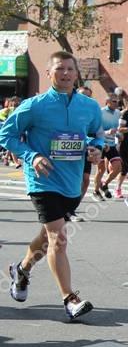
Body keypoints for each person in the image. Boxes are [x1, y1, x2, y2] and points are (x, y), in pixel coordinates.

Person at [1, 51, 104, 320]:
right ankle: (69, 298)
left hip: (72, 183)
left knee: (49, 237)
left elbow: (97, 135)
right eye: (60, 69)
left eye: (70, 69)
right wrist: (31, 156)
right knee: (59, 239)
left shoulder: (89, 106)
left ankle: (21, 269)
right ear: (49, 73)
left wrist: (96, 149)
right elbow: (6, 135)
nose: (66, 74)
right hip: (42, 180)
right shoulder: (33, 106)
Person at [92, 93, 122, 199]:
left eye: (118, 101)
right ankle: (96, 191)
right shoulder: (100, 112)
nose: (117, 103)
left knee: (118, 167)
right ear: (107, 102)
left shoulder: (118, 113)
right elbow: (95, 130)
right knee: (101, 169)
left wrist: (118, 134)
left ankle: (104, 184)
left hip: (111, 144)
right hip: (100, 143)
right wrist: (106, 132)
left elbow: (116, 128)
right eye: (114, 101)